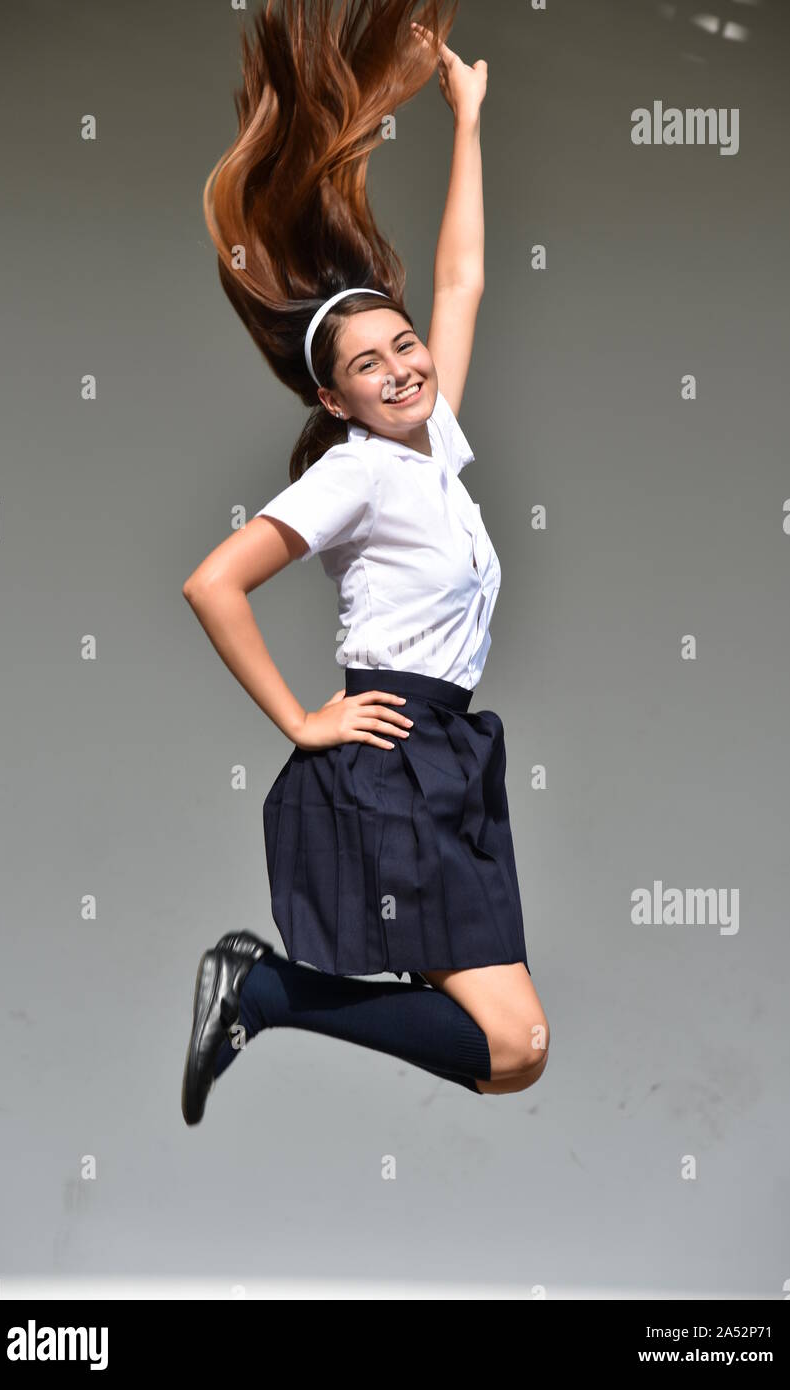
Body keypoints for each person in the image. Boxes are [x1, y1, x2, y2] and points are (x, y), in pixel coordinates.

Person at [181, 0, 549, 1125]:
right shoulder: (354, 468)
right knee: (512, 1040)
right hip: (390, 755)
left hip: (443, 753)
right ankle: (264, 991)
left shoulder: (431, 447)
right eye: (367, 364)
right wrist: (304, 721)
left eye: (402, 345)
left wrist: (469, 123)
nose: (398, 366)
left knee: (518, 1050)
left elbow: (463, 283)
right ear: (332, 396)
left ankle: (265, 991)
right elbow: (212, 580)